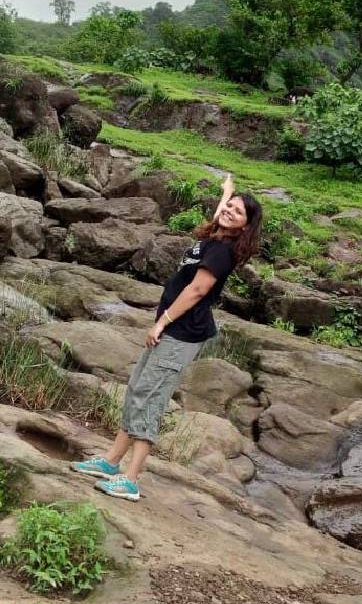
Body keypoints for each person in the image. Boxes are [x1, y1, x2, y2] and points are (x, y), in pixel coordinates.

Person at [70, 173, 262, 501]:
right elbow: (221, 214)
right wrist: (227, 193)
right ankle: (111, 462)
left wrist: (162, 323)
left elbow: (198, 290)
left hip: (182, 333)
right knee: (137, 390)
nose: (228, 211)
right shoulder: (216, 235)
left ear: (245, 227)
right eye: (229, 207)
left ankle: (131, 479)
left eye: (237, 211)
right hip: (174, 328)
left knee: (150, 399)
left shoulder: (222, 252)